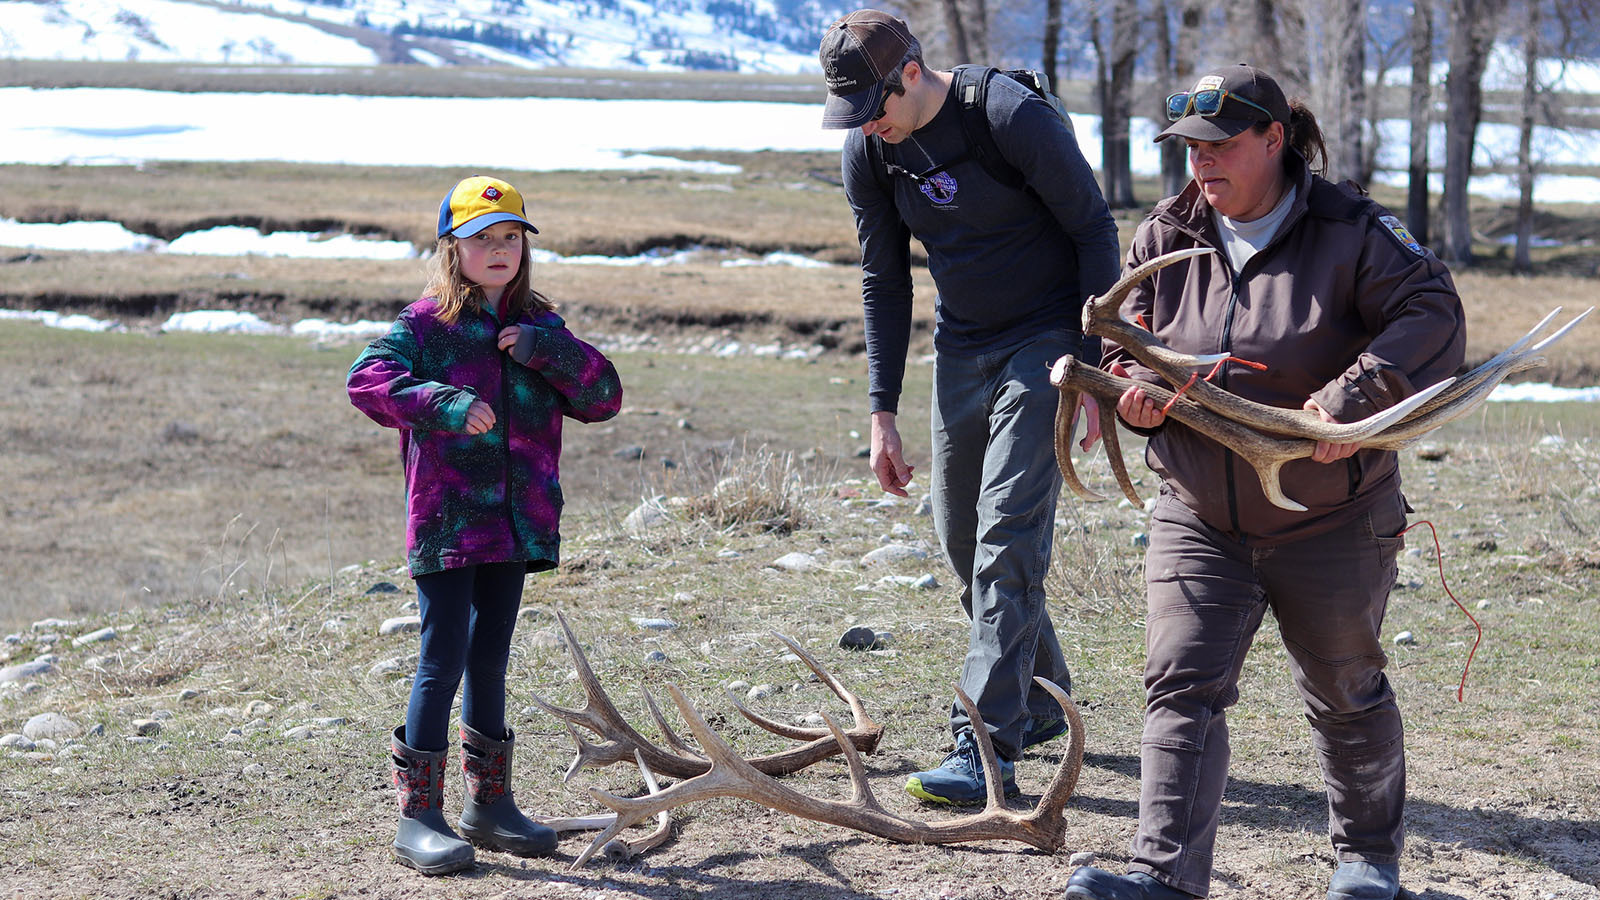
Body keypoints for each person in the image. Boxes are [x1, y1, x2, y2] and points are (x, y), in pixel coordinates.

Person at [1063, 65, 1465, 900]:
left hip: (1334, 515)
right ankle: (1164, 878)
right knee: (1181, 685)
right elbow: (1122, 345)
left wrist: (1348, 400)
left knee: (1344, 685)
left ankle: (1366, 862)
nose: (1201, 164)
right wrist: (1132, 399)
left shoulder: (1353, 231)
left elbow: (1434, 315)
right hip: (1199, 512)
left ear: (1275, 139)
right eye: (1189, 149)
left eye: (1220, 145)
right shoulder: (1164, 235)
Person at [818, 9, 1121, 805]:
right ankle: (1040, 698)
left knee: (1007, 538)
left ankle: (984, 747)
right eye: (853, 117)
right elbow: (885, 278)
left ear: (911, 74)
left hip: (1048, 342)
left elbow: (1094, 230)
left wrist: (1090, 371)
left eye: (874, 107)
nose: (868, 127)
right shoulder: (869, 151)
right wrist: (881, 410)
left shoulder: (1008, 115)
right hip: (963, 349)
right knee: (962, 542)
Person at [347, 175, 623, 874]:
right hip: (447, 523)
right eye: (481, 239)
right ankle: (418, 818)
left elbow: (604, 397)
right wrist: (438, 401)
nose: (498, 251)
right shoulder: (424, 326)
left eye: (510, 238)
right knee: (442, 658)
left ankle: (490, 807)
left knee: (491, 655)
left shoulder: (543, 327)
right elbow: (366, 379)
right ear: (453, 248)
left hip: (517, 522)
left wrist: (543, 352)